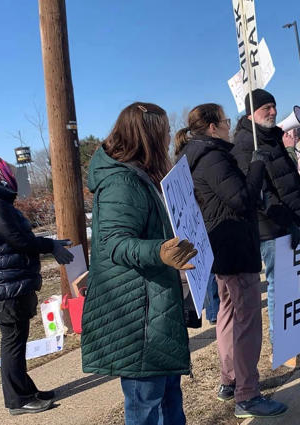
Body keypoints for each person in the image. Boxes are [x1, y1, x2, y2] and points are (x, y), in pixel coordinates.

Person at [81, 102, 198, 425]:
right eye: (161, 132)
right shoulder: (122, 181)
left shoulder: (141, 175)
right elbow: (115, 243)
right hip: (137, 314)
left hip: (155, 307)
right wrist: (160, 252)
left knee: (169, 401)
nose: (165, 140)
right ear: (145, 135)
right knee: (145, 405)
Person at [176, 103, 287, 419]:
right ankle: (247, 394)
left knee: (227, 313)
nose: (228, 125)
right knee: (247, 320)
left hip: (219, 246)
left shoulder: (193, 155)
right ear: (212, 127)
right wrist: (256, 167)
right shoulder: (212, 158)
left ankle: (229, 381)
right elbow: (241, 200)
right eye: (224, 121)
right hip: (234, 245)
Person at [0, 158, 74, 416]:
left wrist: (50, 242)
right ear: (1, 180)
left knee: (17, 341)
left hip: (11, 283)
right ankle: (18, 400)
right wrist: (50, 247)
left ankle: (27, 390)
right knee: (13, 343)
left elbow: (20, 238)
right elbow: (19, 240)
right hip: (5, 287)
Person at [230, 89, 300, 347]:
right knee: (279, 287)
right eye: (266, 108)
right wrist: (287, 221)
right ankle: (284, 343)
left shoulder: (272, 138)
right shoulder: (246, 144)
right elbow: (259, 193)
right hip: (271, 227)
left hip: (291, 221)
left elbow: (289, 181)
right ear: (251, 114)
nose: (272, 112)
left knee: (297, 284)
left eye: (273, 106)